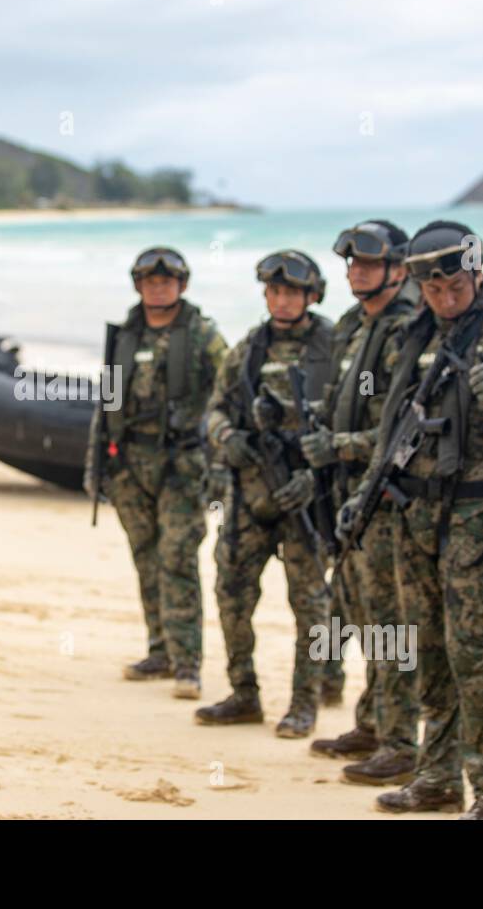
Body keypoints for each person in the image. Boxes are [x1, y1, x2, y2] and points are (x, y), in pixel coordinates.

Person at [342, 220, 483, 818]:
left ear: (476, 273)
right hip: (413, 514)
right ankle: (436, 777)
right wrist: (362, 495)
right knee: (427, 649)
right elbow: (389, 432)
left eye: (453, 281)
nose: (443, 294)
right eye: (431, 285)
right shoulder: (411, 337)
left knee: (471, 654)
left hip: (479, 517)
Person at [197, 250, 335, 737]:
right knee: (231, 591)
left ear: (311, 295)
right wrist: (226, 439)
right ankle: (244, 692)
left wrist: (318, 476)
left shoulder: (335, 348)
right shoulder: (248, 349)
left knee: (312, 605)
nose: (281, 300)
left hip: (306, 498)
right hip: (250, 494)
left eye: (291, 292)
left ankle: (305, 702)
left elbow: (357, 424)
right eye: (274, 292)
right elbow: (215, 410)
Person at [304, 220, 421, 785]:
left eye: (368, 264)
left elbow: (406, 432)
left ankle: (400, 741)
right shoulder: (354, 326)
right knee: (360, 612)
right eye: (351, 262)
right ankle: (372, 724)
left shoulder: (408, 331)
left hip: (389, 497)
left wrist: (339, 445)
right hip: (346, 493)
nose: (356, 271)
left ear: (399, 268)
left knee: (390, 621)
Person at [86, 247, 228, 699]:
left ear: (182, 286)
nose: (159, 287)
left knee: (178, 559)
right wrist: (97, 464)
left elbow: (230, 392)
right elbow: (106, 403)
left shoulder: (203, 336)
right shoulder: (125, 335)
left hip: (181, 468)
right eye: (150, 281)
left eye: (167, 281)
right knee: (146, 559)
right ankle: (160, 650)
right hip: (130, 466)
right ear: (139, 285)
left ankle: (188, 663)